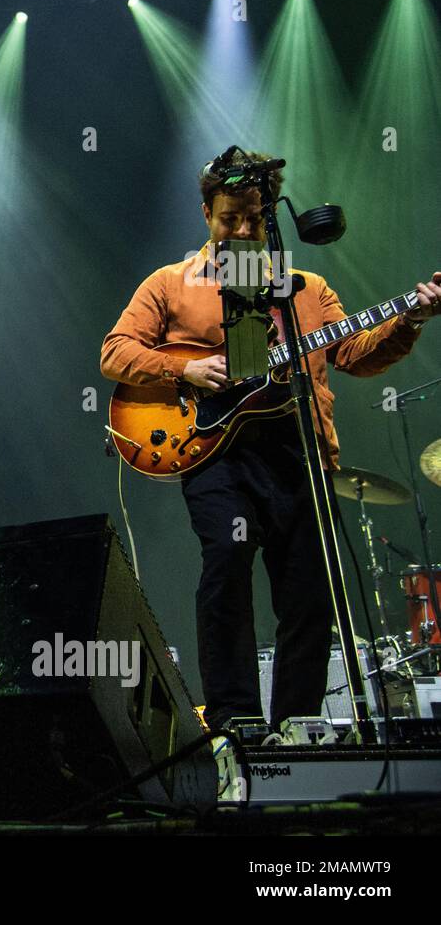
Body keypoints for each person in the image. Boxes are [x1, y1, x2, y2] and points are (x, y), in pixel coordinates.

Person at [100, 147, 441, 733]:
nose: (241, 230)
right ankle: (234, 721)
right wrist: (184, 371)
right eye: (229, 217)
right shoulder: (170, 284)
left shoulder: (306, 288)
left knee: (311, 594)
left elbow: (355, 355)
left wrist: (409, 317)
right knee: (227, 564)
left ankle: (298, 725)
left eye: (253, 219)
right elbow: (115, 352)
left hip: (299, 455)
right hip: (216, 454)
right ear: (206, 212)